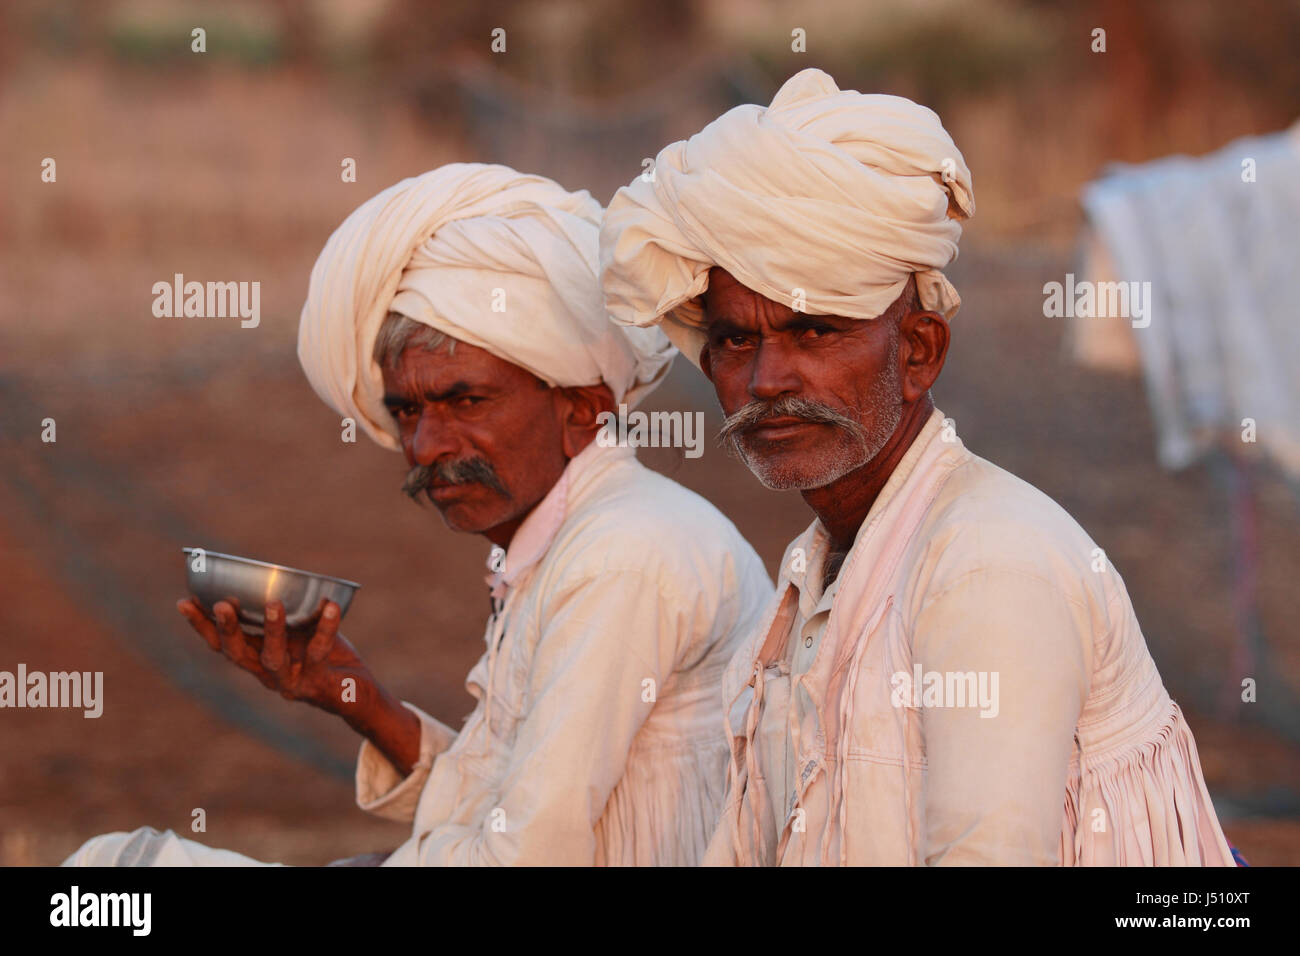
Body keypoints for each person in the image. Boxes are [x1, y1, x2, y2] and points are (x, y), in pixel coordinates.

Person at [599, 68, 1236, 866]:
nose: (767, 382)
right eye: (735, 341)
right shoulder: (817, 571)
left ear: (918, 353)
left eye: (816, 332)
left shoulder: (989, 567)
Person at [63, 163, 772, 867]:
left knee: (118, 878)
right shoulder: (567, 542)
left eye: (467, 402)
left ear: (582, 410)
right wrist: (358, 699)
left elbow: (525, 853)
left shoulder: (624, 557)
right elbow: (503, 798)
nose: (428, 447)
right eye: (408, 411)